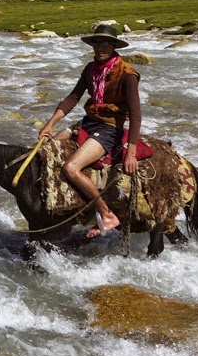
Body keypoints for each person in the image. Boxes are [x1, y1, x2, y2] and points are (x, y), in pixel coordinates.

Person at [38, 23, 142, 238]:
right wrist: (50, 124)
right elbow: (73, 98)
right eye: (96, 42)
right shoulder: (90, 69)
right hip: (88, 122)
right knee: (46, 150)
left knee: (71, 168)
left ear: (114, 45)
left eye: (105, 43)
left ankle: (106, 214)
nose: (100, 47)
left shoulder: (127, 74)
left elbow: (136, 114)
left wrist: (130, 153)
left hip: (109, 129)